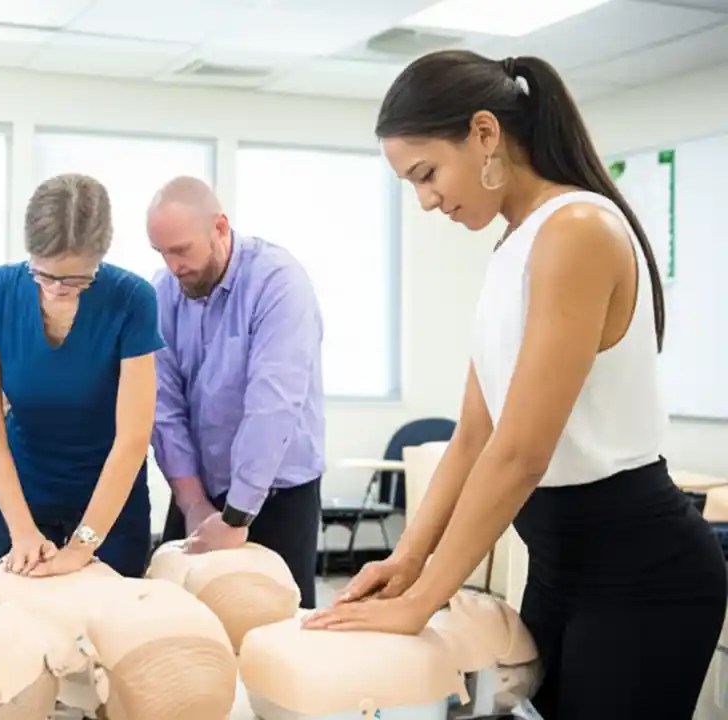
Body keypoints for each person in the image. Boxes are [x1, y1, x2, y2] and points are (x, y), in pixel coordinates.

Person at [303, 50, 727, 720]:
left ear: (484, 134)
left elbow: (522, 451)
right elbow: (472, 437)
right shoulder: (512, 248)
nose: (426, 199)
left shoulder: (579, 231)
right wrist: (406, 562)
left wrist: (422, 603)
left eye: (427, 173)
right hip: (559, 565)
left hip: (640, 572)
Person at [0, 173, 162, 579]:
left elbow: (133, 438)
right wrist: (21, 530)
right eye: (44, 274)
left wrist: (82, 545)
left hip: (109, 501)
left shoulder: (132, 299)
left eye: (76, 279)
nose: (56, 289)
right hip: (22, 491)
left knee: (108, 628)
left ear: (100, 258)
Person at [147, 176, 327, 609]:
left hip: (277, 493)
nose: (173, 266)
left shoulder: (279, 283)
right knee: (179, 620)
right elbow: (164, 408)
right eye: (162, 253)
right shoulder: (163, 292)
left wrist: (236, 516)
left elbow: (272, 405)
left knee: (276, 630)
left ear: (220, 228)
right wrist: (192, 504)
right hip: (198, 489)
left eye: (182, 250)